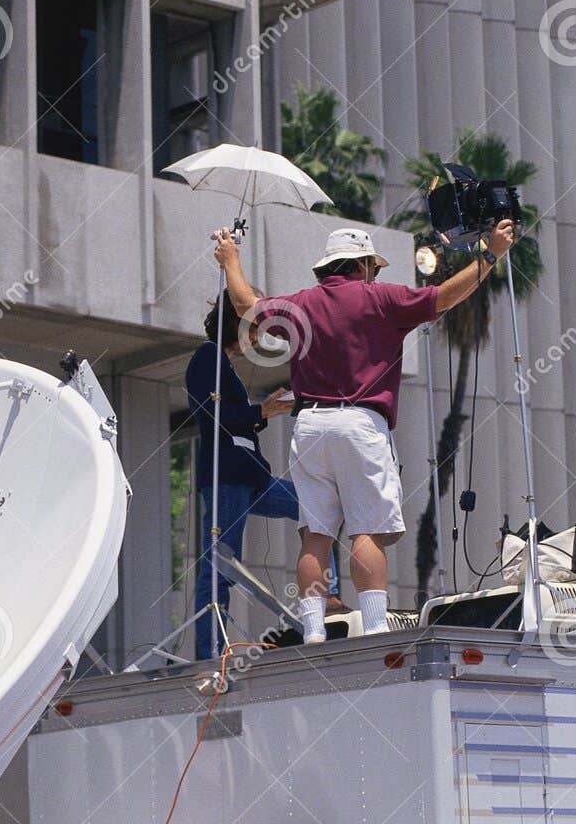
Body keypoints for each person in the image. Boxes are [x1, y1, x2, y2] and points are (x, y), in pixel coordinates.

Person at [215, 220, 516, 643]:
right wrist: (490, 255)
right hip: (359, 424)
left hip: (309, 425)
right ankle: (374, 628)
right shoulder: (381, 298)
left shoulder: (301, 305)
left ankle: (314, 631)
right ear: (362, 266)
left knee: (315, 533)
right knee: (366, 530)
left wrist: (231, 260)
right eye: (373, 267)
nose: (376, 274)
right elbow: (445, 296)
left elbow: (248, 306)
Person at [185, 295, 341, 660]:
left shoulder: (219, 361)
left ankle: (326, 593)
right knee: (221, 561)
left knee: (317, 505)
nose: (256, 339)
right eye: (253, 330)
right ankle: (210, 652)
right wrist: (263, 410)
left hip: (249, 475)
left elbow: (229, 415)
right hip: (228, 475)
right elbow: (214, 415)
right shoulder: (207, 357)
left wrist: (262, 410)